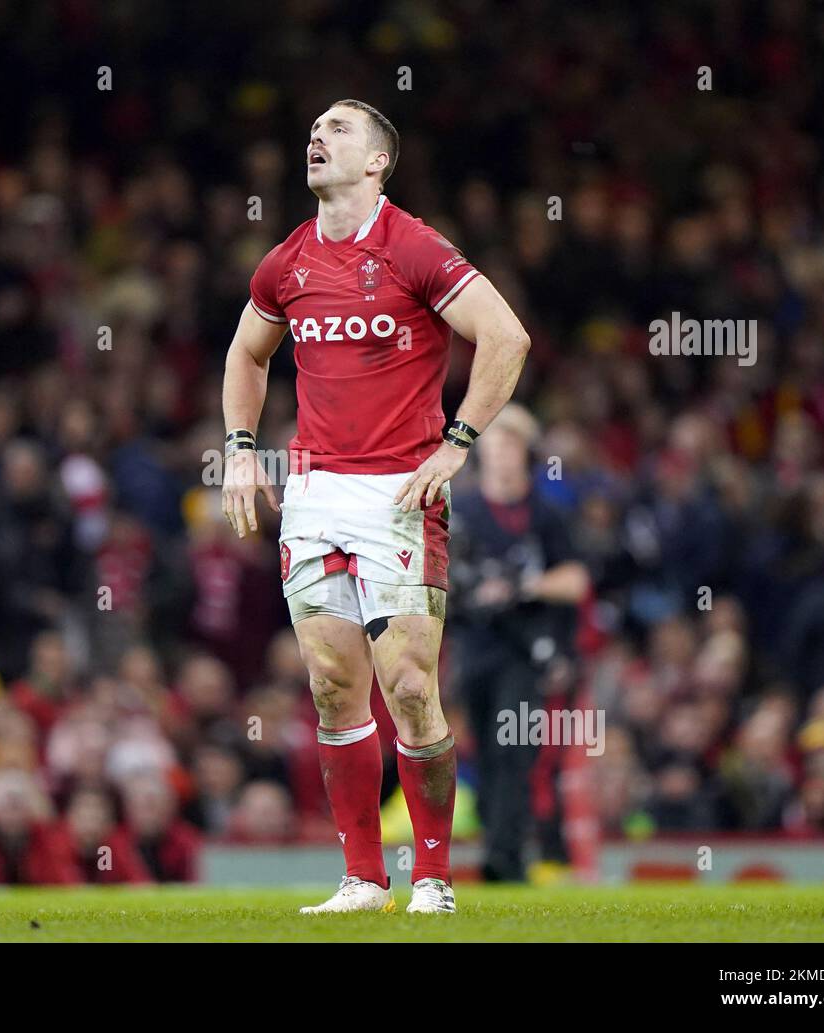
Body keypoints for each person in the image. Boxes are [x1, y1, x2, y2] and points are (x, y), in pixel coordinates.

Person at [220, 99, 531, 913]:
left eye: (339, 129)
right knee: (330, 683)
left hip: (398, 492)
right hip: (315, 491)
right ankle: (364, 876)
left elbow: (507, 336)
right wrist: (242, 451)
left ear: (377, 162)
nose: (316, 136)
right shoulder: (286, 262)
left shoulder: (413, 246)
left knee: (412, 687)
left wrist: (459, 440)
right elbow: (247, 352)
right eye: (313, 127)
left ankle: (433, 876)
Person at [448, 405, 590, 881]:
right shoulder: (462, 509)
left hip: (524, 649)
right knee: (485, 751)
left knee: (514, 750)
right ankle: (498, 845)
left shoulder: (545, 514)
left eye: (512, 444)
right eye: (496, 443)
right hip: (475, 646)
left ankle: (505, 858)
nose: (504, 454)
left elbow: (575, 579)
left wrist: (522, 587)